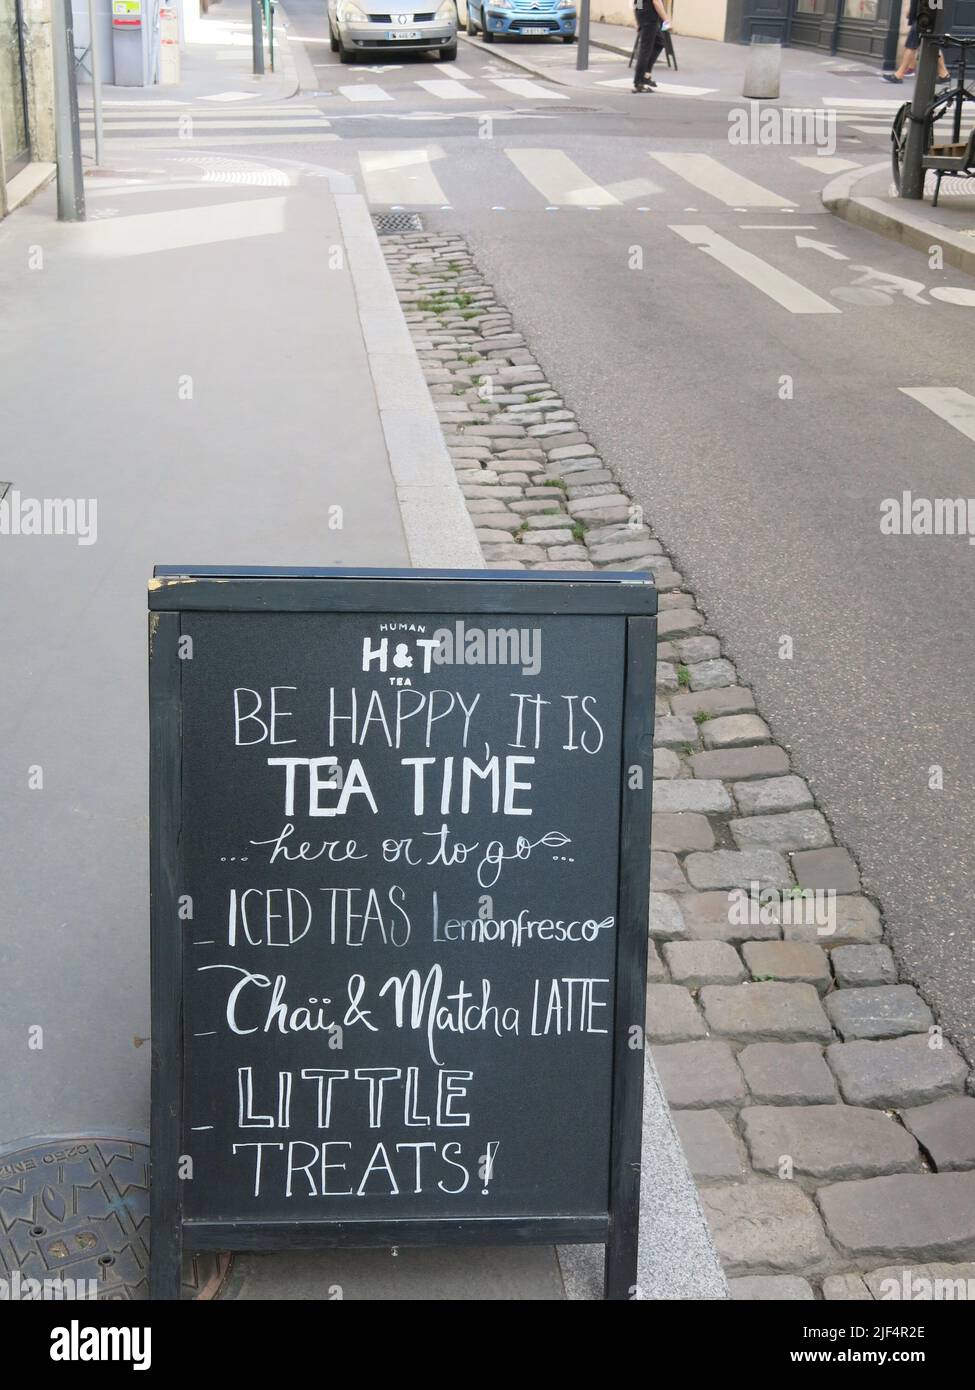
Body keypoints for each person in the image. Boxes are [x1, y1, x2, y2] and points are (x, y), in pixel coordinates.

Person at [883, 0, 950, 83]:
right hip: (923, 17)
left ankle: (899, 74)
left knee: (911, 45)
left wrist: (929, 18)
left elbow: (937, 5)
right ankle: (944, 74)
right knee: (933, 45)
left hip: (924, 18)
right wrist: (912, 11)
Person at [632, 0, 670, 94]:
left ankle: (645, 74)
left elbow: (638, 1)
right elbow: (656, 1)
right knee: (645, 50)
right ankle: (639, 83)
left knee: (659, 42)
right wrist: (666, 20)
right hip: (649, 18)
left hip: (644, 15)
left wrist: (638, 18)